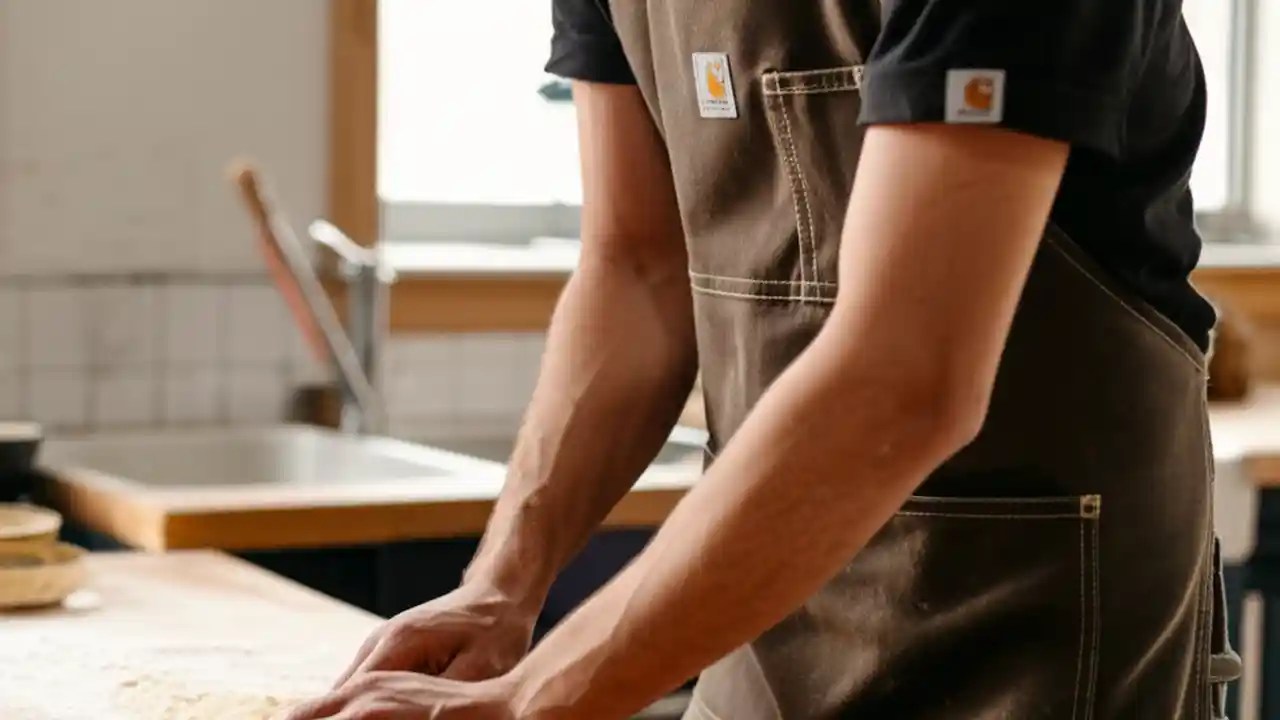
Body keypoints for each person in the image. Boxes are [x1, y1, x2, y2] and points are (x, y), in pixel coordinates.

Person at [287, 0, 1241, 717]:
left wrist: (538, 698)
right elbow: (635, 272)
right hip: (749, 614)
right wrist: (503, 587)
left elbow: (904, 378)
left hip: (1032, 632)